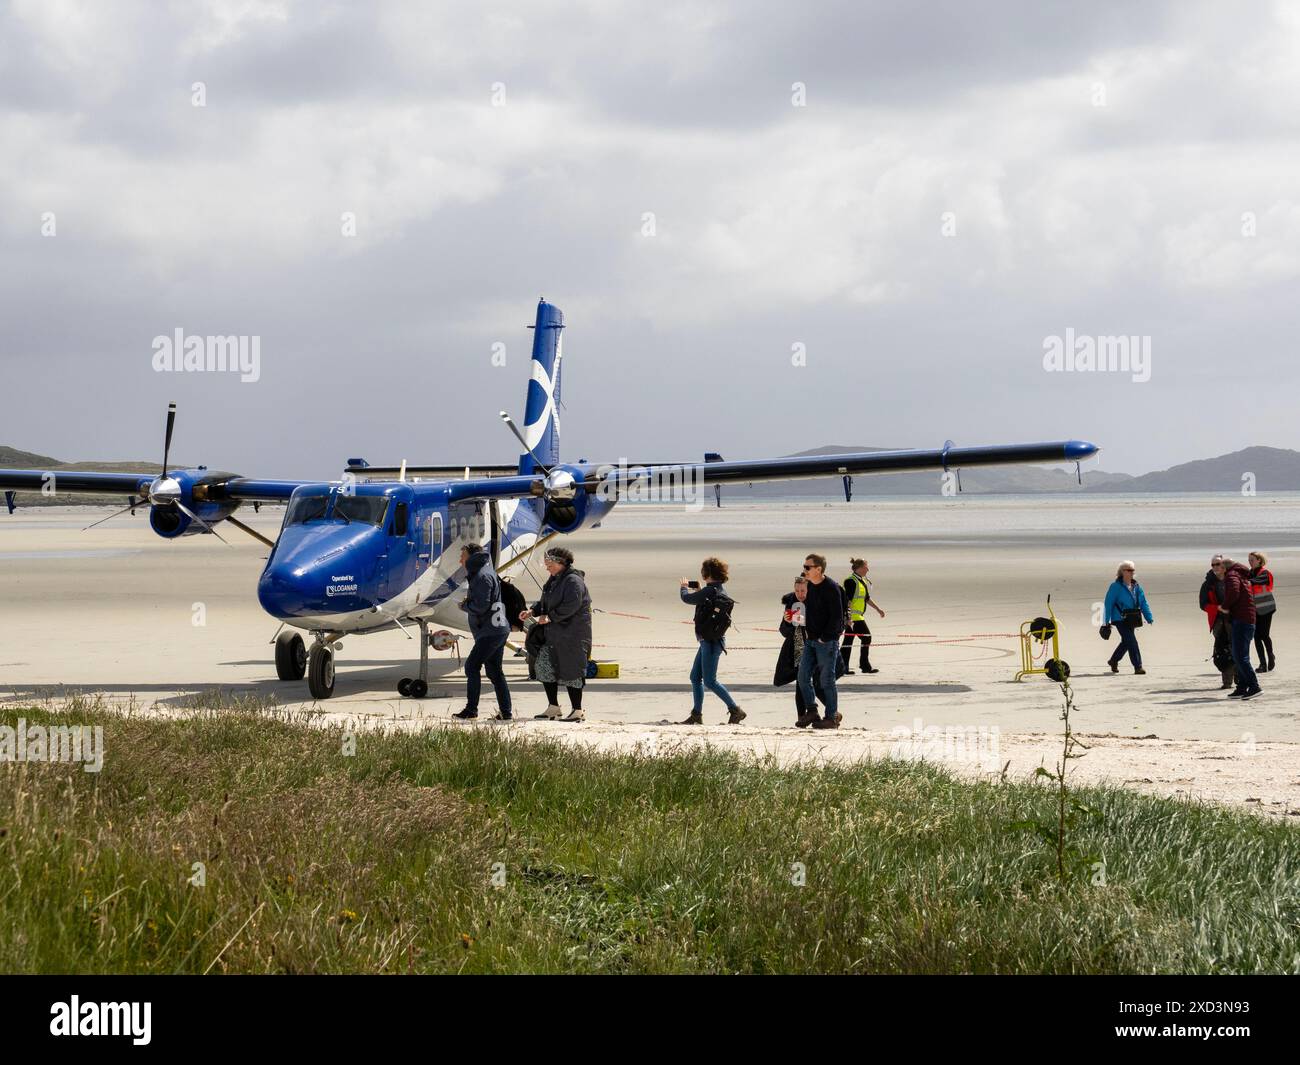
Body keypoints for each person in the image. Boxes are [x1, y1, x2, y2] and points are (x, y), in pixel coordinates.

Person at [519, 546, 592, 721]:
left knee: (572, 671)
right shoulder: (554, 579)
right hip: (553, 635)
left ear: (561, 563)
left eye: (549, 564)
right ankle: (553, 707)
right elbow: (546, 600)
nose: (547, 567)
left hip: (572, 635)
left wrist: (550, 617)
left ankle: (577, 710)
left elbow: (571, 605)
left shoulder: (573, 581)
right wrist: (533, 611)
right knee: (544, 667)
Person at [679, 557, 745, 724]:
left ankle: (735, 709)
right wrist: (700, 591)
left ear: (707, 574)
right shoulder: (720, 590)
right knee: (695, 677)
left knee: (710, 681)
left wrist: (683, 588)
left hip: (710, 642)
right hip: (710, 640)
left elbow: (686, 599)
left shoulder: (710, 591)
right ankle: (696, 715)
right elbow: (706, 603)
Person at [452, 544, 513, 720]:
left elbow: (481, 606)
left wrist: (465, 605)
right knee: (494, 671)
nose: (460, 560)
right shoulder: (484, 571)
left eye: (462, 556)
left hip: (491, 631)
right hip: (496, 629)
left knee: (472, 667)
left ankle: (471, 710)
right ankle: (506, 712)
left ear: (471, 557)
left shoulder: (482, 575)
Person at [775, 575, 831, 726]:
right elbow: (784, 631)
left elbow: (822, 625)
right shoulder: (792, 604)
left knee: (817, 683)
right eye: (797, 590)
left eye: (803, 590)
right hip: (798, 648)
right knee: (801, 683)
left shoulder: (815, 602)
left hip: (816, 646)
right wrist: (788, 623)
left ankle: (832, 713)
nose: (800, 594)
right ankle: (803, 716)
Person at [798, 553, 845, 729]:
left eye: (807, 567)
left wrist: (825, 637)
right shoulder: (809, 586)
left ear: (819, 569)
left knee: (826, 680)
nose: (805, 570)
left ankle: (831, 717)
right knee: (803, 677)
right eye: (804, 567)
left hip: (827, 642)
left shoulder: (831, 587)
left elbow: (837, 617)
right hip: (810, 640)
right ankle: (812, 710)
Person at [1219, 555, 1261, 699]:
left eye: (1218, 566)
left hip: (1243, 620)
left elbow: (1234, 592)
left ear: (1224, 568)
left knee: (1240, 656)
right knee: (1240, 655)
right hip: (1246, 619)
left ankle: (1254, 686)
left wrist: (1224, 607)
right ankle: (1242, 687)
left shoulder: (1232, 576)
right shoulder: (1240, 574)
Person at [1103, 560, 1154, 675]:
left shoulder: (1136, 586)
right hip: (1119, 619)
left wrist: (1148, 617)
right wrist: (1106, 622)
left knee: (1126, 642)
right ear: (1122, 572)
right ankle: (1138, 666)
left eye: (1133, 570)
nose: (1132, 572)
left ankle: (1113, 660)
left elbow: (1143, 602)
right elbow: (1108, 604)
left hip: (1132, 618)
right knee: (1132, 641)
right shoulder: (1115, 586)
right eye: (1129, 570)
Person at [840, 558, 885, 674]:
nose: (868, 569)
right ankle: (864, 666)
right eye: (866, 567)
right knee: (866, 637)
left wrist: (878, 609)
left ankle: (842, 667)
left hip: (857, 616)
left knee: (848, 641)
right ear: (859, 568)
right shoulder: (851, 581)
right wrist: (848, 617)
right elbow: (847, 601)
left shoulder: (861, 581)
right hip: (853, 618)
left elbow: (866, 599)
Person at [1199, 557, 1235, 690]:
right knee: (1222, 651)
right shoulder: (1208, 584)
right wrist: (1217, 608)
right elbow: (1203, 604)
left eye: (1218, 564)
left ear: (1224, 565)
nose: (1215, 567)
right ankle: (1227, 682)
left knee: (1236, 649)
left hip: (1234, 620)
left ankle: (1238, 678)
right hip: (1218, 622)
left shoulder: (1232, 580)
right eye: (1213, 564)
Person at [1248, 551, 1277, 673]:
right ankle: (1262, 664)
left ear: (1259, 560)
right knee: (1256, 636)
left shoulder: (1264, 573)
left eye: (1252, 559)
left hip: (1266, 608)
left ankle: (1271, 655)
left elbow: (1256, 581)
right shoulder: (1249, 573)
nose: (1250, 561)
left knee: (1264, 635)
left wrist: (1246, 581)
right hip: (1254, 609)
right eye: (1249, 559)